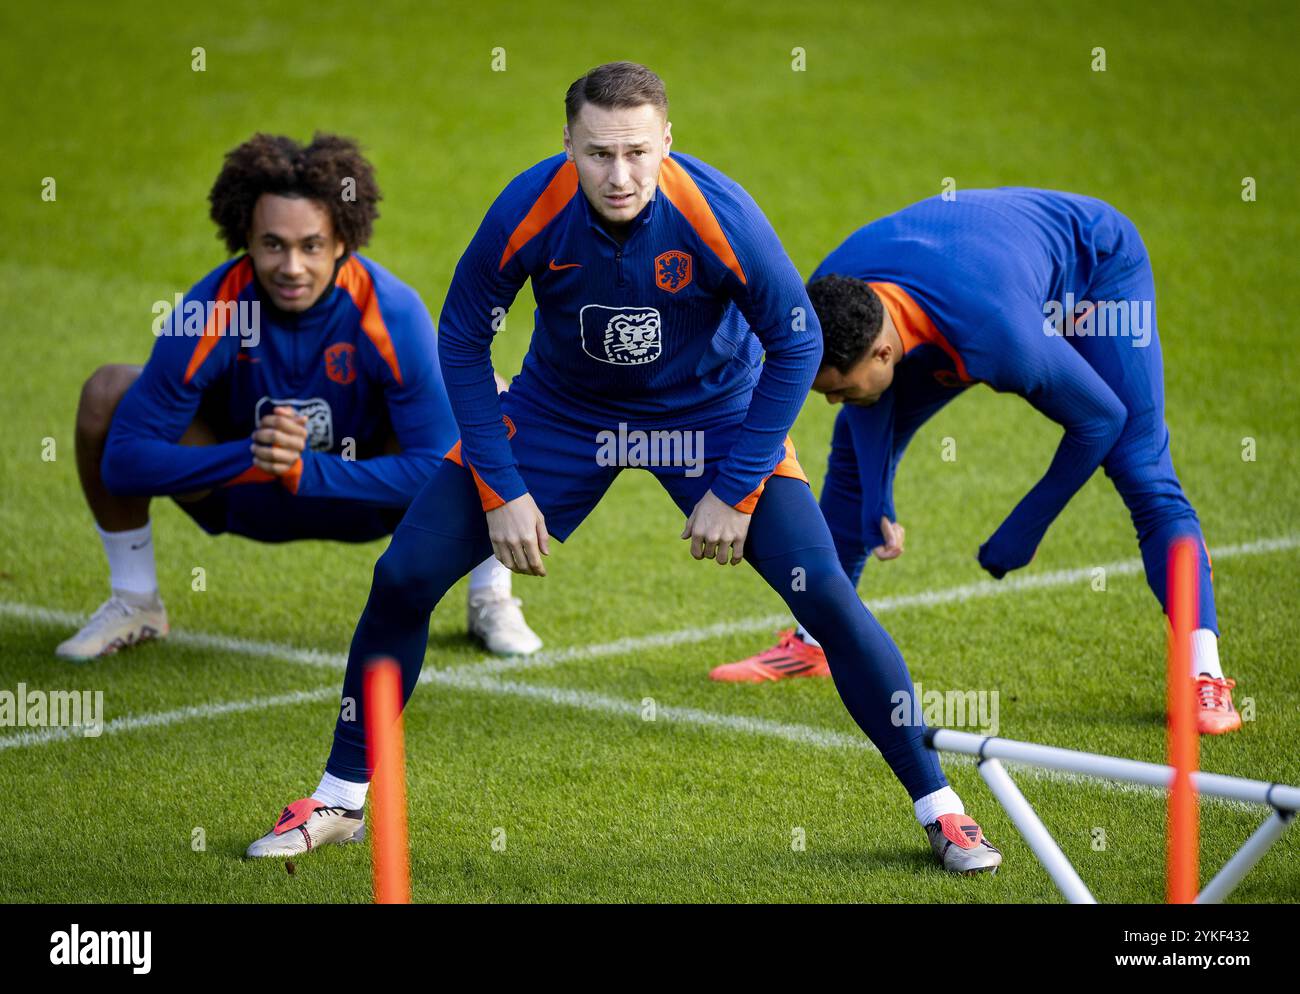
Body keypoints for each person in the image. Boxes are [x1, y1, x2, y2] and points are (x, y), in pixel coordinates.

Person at [246, 64, 1002, 875]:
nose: (620, 175)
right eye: (599, 153)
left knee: (827, 597)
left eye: (638, 152)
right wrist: (502, 490)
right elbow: (462, 338)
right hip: (561, 415)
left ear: (667, 142)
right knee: (402, 576)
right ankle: (338, 798)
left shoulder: (720, 214)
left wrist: (737, 488)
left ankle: (942, 810)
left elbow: (797, 345)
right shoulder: (528, 207)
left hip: (710, 416)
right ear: (566, 142)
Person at [711, 189, 1239, 736]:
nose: (830, 400)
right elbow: (866, 407)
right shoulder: (831, 300)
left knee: (1139, 465)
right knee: (852, 449)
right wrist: (878, 503)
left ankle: (1205, 674)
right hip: (956, 278)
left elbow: (1100, 419)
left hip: (1095, 270)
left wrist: (1023, 530)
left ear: (884, 352)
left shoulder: (999, 338)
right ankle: (816, 639)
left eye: (838, 389)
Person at [60, 132, 541, 661]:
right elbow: (125, 463)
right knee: (108, 391)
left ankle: (490, 596)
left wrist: (304, 470)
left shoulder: (391, 311)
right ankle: (135, 600)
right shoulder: (212, 308)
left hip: (367, 501)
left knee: (486, 397)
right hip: (238, 493)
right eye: (273, 244)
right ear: (246, 234)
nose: (291, 266)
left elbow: (432, 464)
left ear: (341, 241)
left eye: (310, 245)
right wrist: (251, 456)